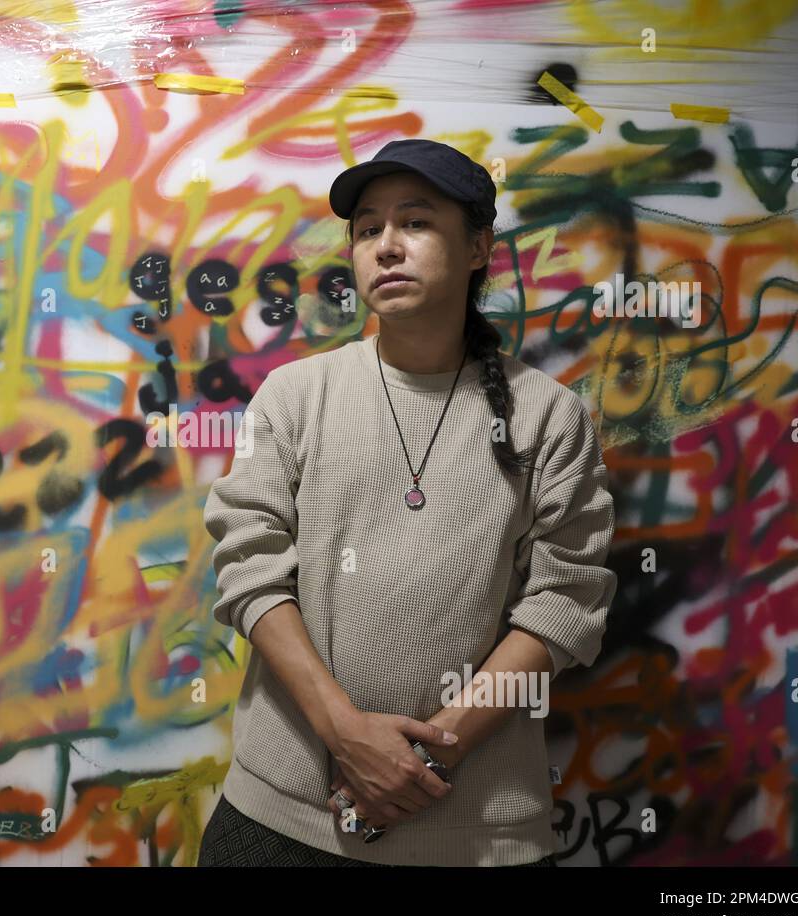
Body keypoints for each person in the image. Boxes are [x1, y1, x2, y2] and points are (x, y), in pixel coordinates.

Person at [198, 139, 618, 867]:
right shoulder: (294, 397)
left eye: (416, 223)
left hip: (478, 833)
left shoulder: (550, 416)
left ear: (479, 245)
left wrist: (423, 762)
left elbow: (564, 604)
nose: (386, 247)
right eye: (367, 229)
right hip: (282, 818)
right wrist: (347, 735)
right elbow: (249, 568)